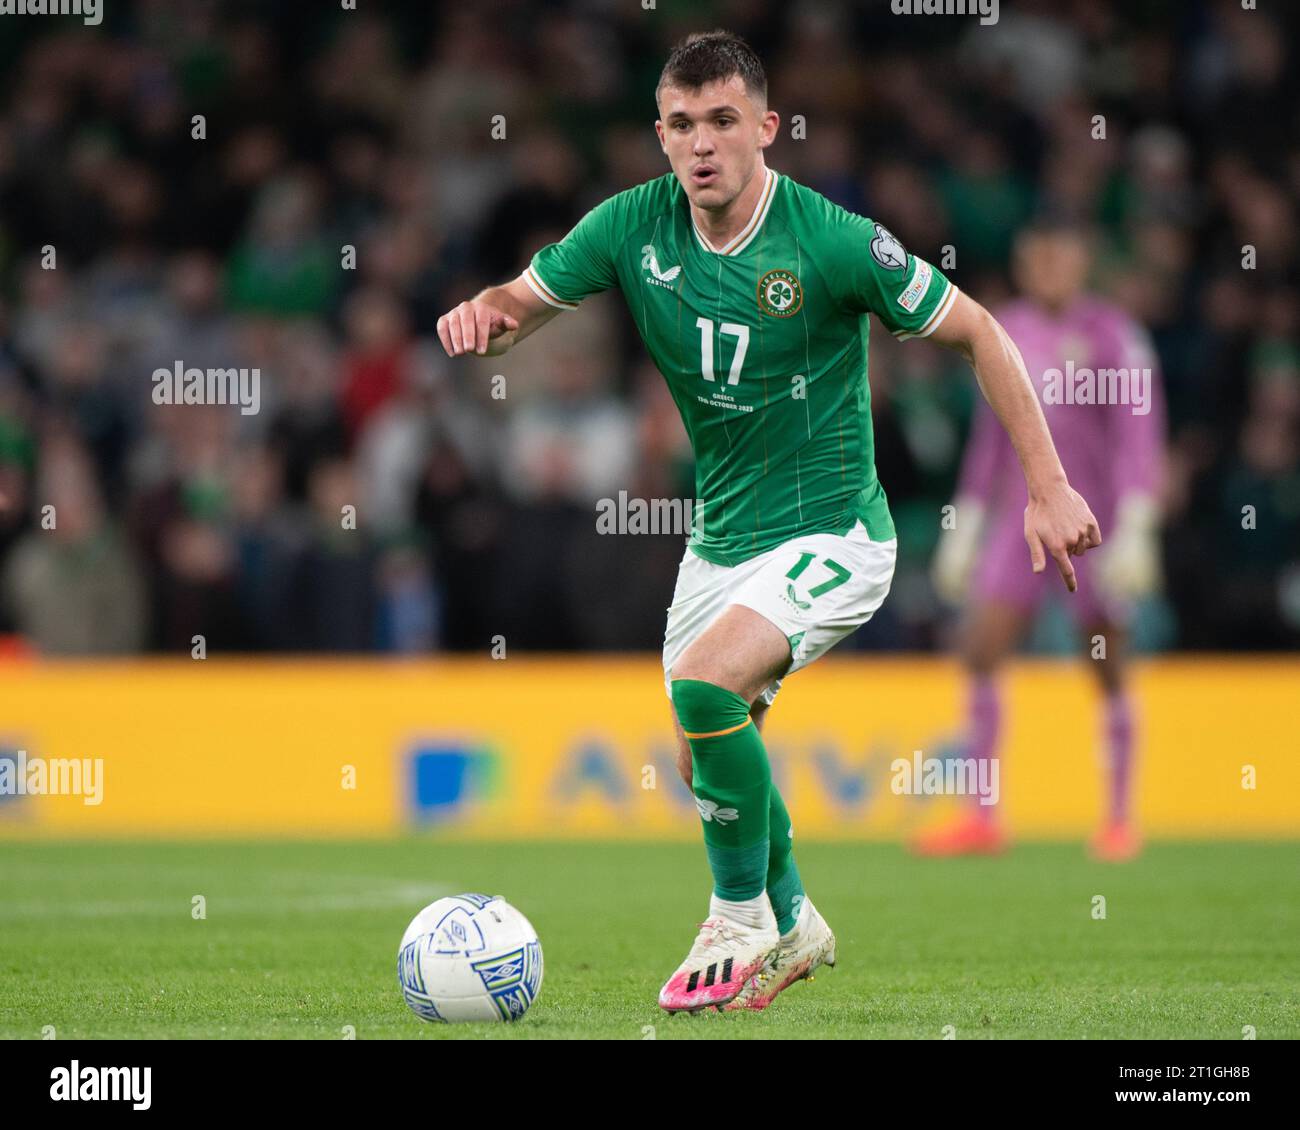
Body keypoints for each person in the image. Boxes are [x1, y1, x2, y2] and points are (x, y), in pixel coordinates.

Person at [436, 31, 1101, 1014]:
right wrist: (483, 312)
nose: (700, 144)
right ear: (657, 135)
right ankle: (795, 916)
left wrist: (1047, 486)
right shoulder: (630, 227)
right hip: (722, 539)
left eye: (720, 121)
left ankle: (738, 914)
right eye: (679, 124)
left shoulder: (830, 240)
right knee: (699, 739)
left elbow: (979, 331)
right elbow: (526, 299)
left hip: (835, 531)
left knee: (706, 685)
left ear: (764, 129)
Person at [922, 218, 1165, 862]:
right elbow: (988, 439)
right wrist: (966, 522)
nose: (1049, 268)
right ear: (1024, 264)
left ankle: (1118, 818)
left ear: (1083, 261)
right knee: (980, 649)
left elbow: (1140, 432)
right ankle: (982, 815)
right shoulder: (1006, 331)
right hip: (1019, 524)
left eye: (1061, 255)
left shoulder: (1116, 335)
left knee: (1108, 665)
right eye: (1038, 257)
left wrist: (1138, 522)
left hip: (1095, 523)